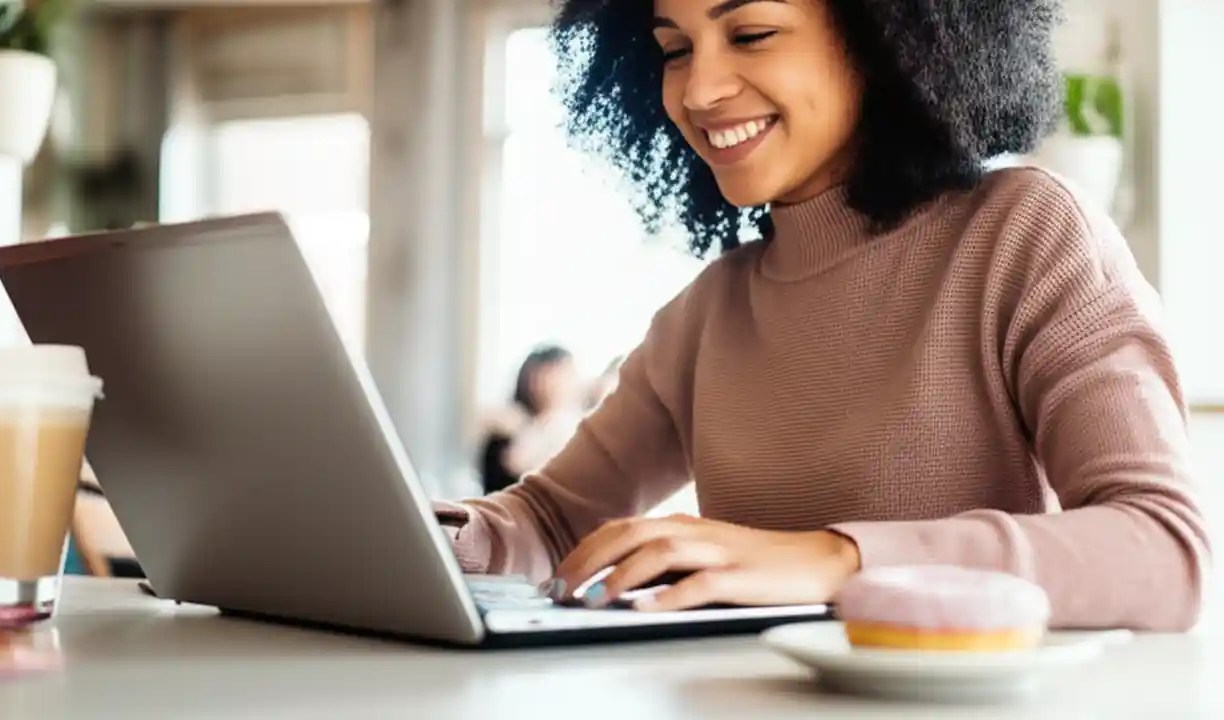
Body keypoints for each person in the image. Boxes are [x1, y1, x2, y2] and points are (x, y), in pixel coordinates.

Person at [439, 0, 1211, 630]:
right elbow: (545, 522)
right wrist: (417, 534)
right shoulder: (708, 312)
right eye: (674, 48)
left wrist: (832, 560)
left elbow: (1164, 551)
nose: (699, 90)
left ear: (883, 35)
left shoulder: (1024, 232)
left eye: (751, 33)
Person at [478, 345, 584, 494]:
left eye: (560, 376)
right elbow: (508, 471)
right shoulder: (506, 426)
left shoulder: (578, 429)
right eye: (544, 376)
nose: (551, 385)